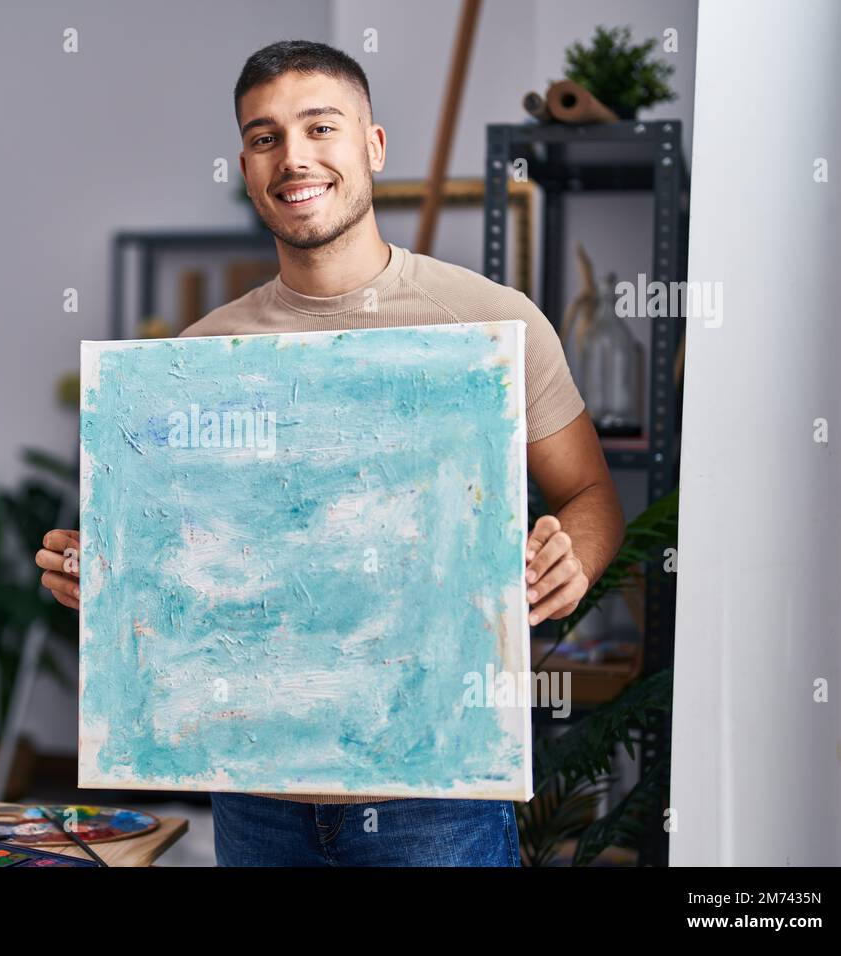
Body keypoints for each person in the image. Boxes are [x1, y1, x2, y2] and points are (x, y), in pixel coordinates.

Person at [36, 40, 625, 866]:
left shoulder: (489, 324)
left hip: (437, 804)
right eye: (265, 136)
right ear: (245, 165)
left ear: (373, 146)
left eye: (321, 127)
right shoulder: (199, 355)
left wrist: (577, 561)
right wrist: (97, 572)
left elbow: (592, 494)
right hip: (253, 795)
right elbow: (179, 566)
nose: (294, 158)